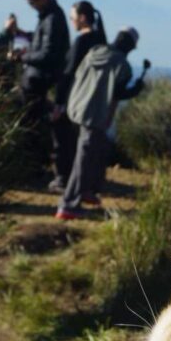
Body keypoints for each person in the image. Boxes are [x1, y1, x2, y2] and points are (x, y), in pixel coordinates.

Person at [56, 26, 146, 220]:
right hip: (94, 115)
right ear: (130, 45)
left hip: (76, 108)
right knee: (85, 158)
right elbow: (120, 93)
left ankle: (86, 190)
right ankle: (68, 204)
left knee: (95, 150)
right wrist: (137, 88)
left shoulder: (94, 52)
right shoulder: (121, 64)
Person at [48, 0, 107, 193]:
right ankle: (83, 183)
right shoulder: (100, 40)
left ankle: (63, 179)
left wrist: (59, 102)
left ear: (82, 18)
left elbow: (68, 72)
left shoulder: (81, 41)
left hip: (73, 99)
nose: (72, 21)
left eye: (73, 17)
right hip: (92, 102)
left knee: (63, 140)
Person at [14, 0, 69, 172]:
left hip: (38, 79)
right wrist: (22, 35)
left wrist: (24, 57)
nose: (31, 6)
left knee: (32, 123)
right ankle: (35, 163)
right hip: (38, 78)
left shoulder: (52, 18)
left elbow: (48, 53)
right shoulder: (49, 16)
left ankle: (34, 165)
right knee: (33, 122)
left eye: (32, 2)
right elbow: (43, 43)